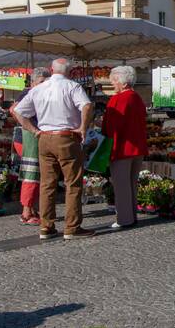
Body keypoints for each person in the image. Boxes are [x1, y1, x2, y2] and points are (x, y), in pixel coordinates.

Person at [13, 57, 94, 239]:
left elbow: (18, 112)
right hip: (66, 138)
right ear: (70, 72)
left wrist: (34, 130)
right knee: (72, 184)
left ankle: (46, 226)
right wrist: (82, 127)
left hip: (44, 138)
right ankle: (72, 228)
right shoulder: (73, 87)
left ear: (51, 69)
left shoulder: (39, 88)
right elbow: (87, 105)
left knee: (47, 184)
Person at [102, 65, 148, 228]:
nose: (112, 84)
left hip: (122, 148)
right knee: (131, 184)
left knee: (121, 186)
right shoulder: (136, 97)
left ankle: (124, 219)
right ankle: (132, 215)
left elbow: (111, 127)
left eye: (113, 81)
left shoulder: (118, 99)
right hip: (137, 147)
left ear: (120, 81)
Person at [12, 67, 50, 225]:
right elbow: (14, 110)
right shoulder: (28, 93)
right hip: (30, 136)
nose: (44, 84)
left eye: (46, 82)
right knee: (31, 173)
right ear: (33, 82)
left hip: (36, 135)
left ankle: (32, 208)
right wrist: (31, 127)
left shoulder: (41, 93)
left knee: (38, 174)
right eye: (41, 82)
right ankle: (26, 210)